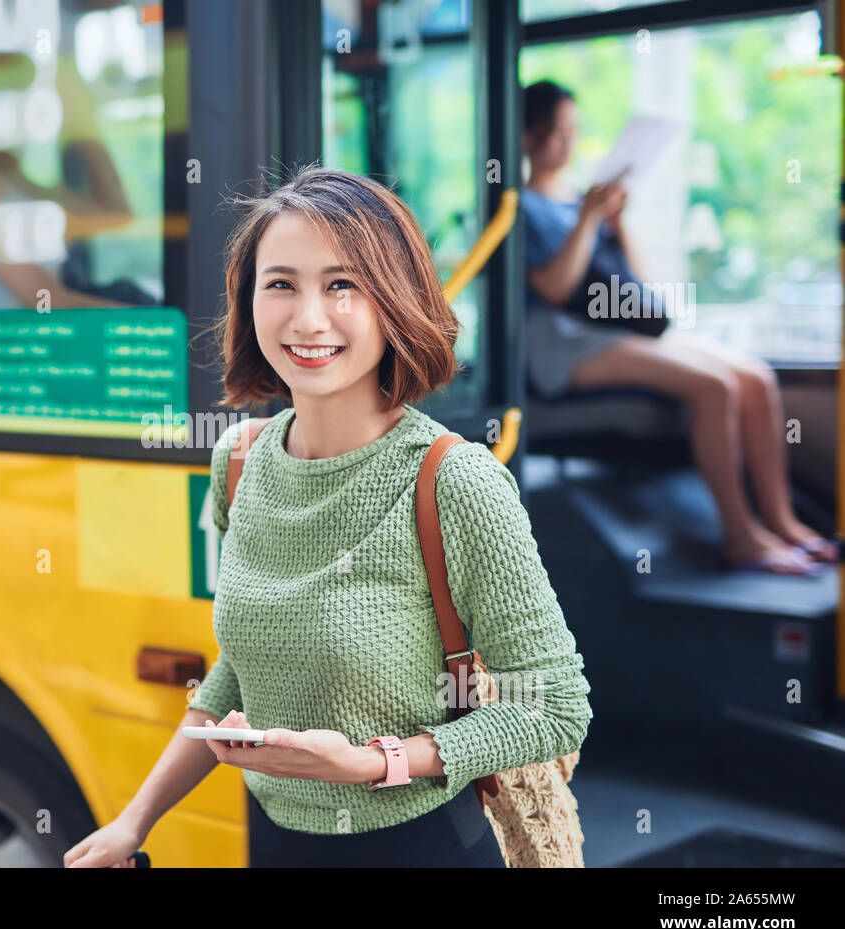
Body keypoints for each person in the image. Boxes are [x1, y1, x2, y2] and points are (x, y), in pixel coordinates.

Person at [64, 164, 592, 868]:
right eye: (280, 283)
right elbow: (240, 671)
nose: (308, 318)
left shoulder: (454, 481)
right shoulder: (240, 462)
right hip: (276, 842)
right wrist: (135, 819)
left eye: (342, 285)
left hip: (422, 844)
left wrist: (377, 764)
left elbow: (555, 705)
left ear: (392, 300)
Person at [521, 79, 838, 575]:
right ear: (528, 137)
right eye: (557, 132)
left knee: (754, 375)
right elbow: (556, 289)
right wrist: (587, 220)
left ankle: (781, 520)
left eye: (573, 131)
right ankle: (740, 535)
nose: (568, 143)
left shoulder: (581, 201)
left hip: (613, 330)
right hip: (562, 344)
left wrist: (618, 223)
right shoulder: (523, 208)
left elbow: (640, 288)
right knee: (713, 386)